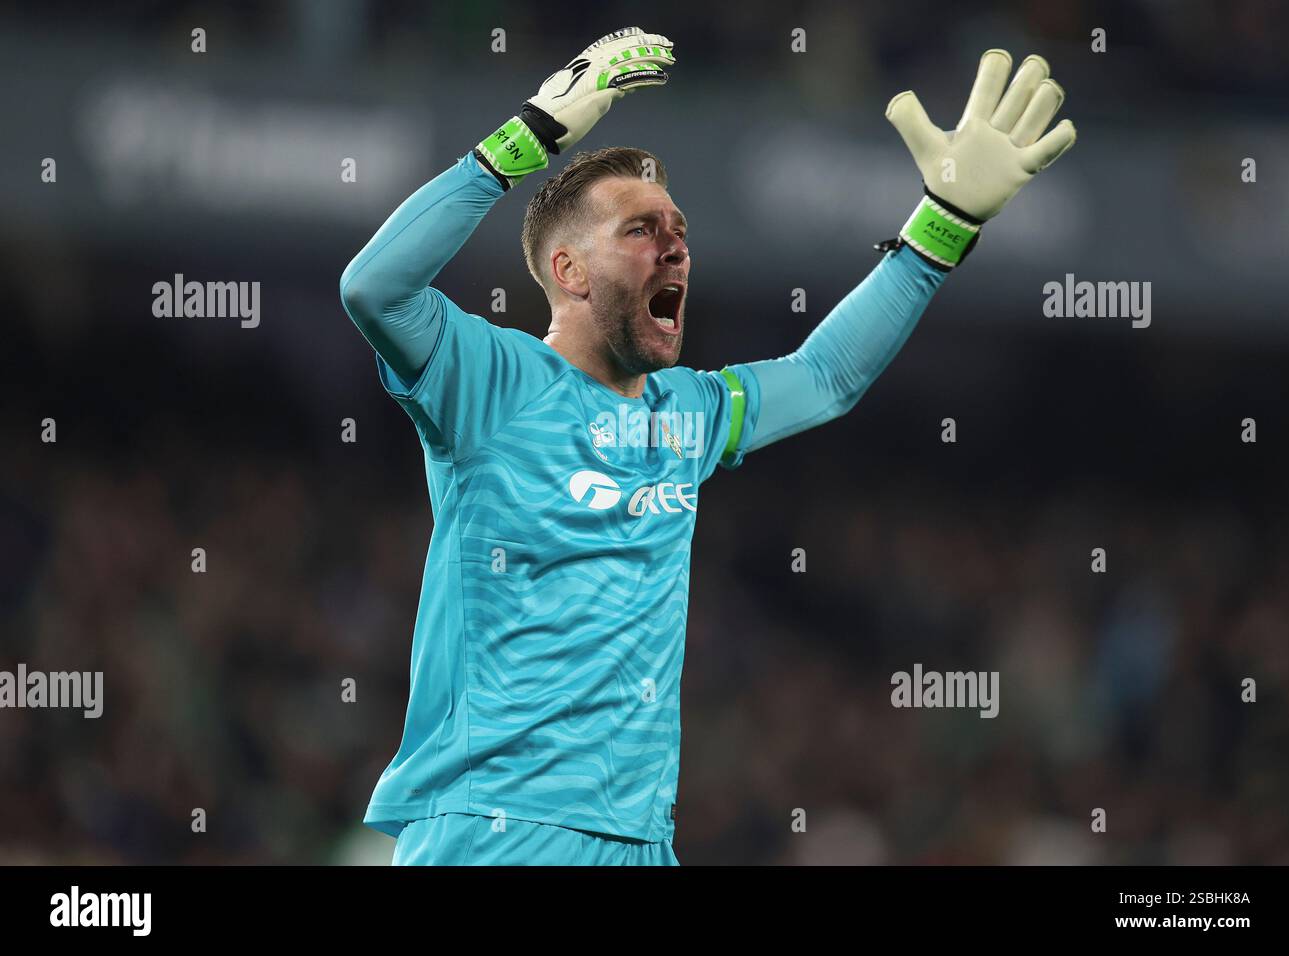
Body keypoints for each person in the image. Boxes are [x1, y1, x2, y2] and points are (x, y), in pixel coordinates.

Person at [339, 27, 1075, 865]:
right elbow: (374, 289)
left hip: (641, 840)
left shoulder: (686, 413)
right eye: (642, 229)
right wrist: (530, 135)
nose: (676, 243)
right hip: (497, 829)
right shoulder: (492, 381)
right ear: (570, 271)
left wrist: (942, 225)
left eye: (679, 227)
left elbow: (826, 376)